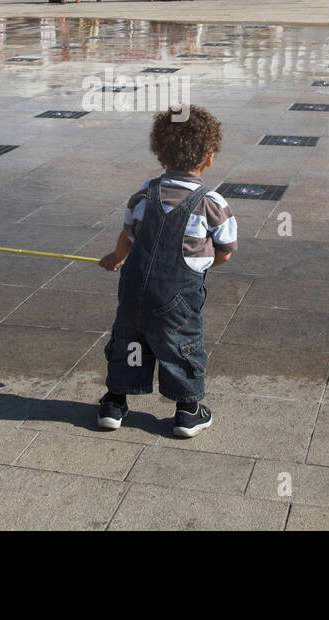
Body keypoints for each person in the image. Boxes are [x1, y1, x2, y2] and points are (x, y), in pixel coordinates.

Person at [96, 105, 235, 437]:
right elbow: (226, 252)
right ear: (210, 158)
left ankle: (114, 404)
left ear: (159, 152)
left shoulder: (144, 194)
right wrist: (200, 265)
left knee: (129, 340)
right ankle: (187, 411)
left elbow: (127, 235)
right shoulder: (211, 203)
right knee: (181, 344)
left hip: (133, 290)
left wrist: (115, 257)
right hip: (178, 295)